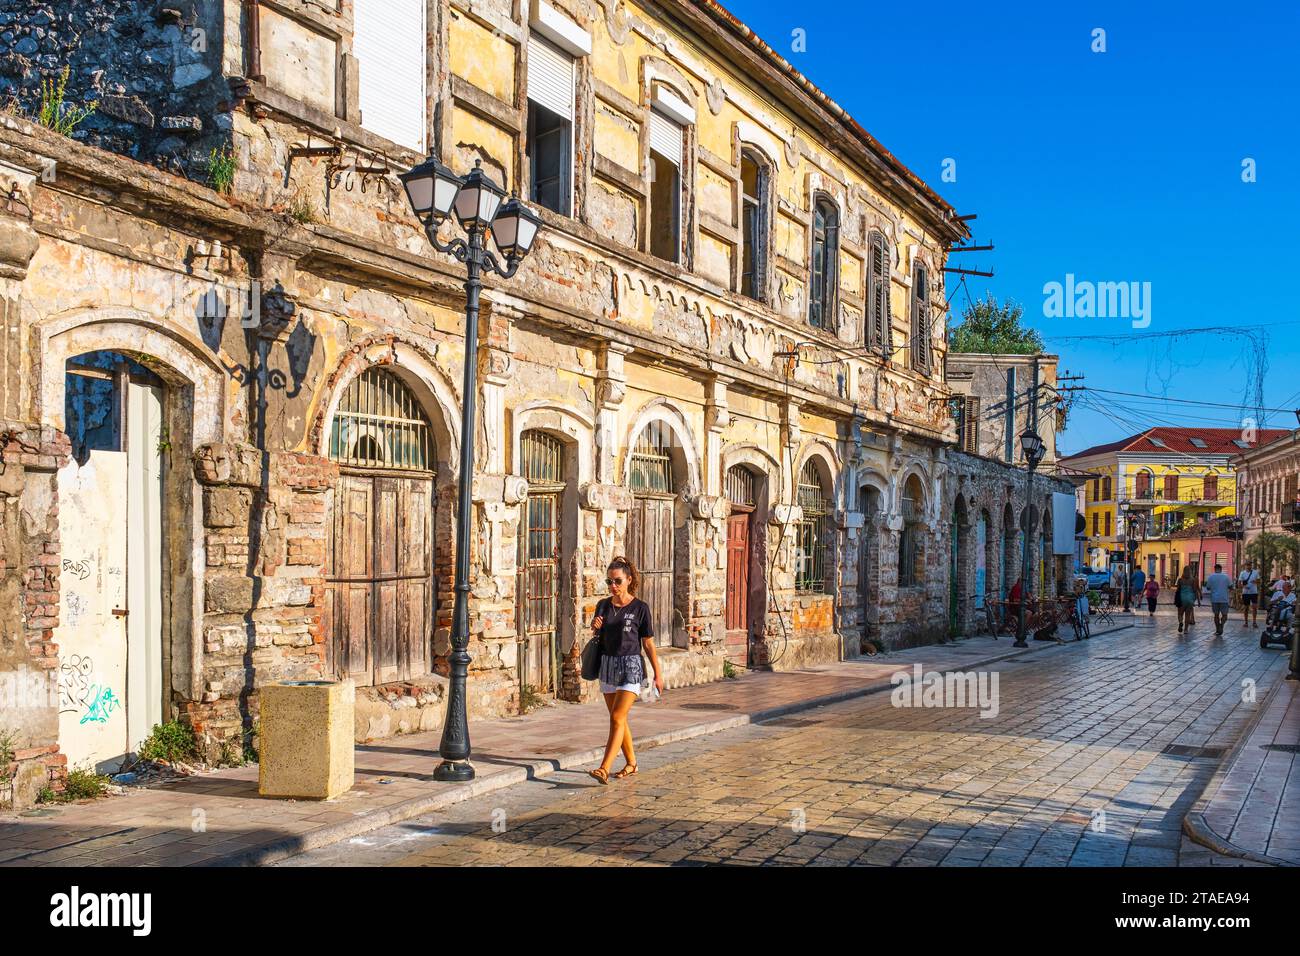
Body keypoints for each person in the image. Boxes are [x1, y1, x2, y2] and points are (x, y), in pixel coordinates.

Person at [587, 556, 663, 785]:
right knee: (617, 719)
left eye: (617, 581)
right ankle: (631, 763)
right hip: (607, 664)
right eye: (609, 582)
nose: (613, 586)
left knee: (618, 716)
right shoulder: (603, 605)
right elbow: (597, 634)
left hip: (631, 666)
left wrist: (658, 674)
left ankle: (604, 768)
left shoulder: (640, 608)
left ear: (629, 580)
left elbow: (648, 643)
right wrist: (594, 627)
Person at [1204, 563, 1233, 637]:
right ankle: (1221, 625)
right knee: (1225, 615)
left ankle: (1217, 629)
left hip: (1215, 599)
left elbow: (1207, 587)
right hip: (1224, 599)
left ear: (1215, 569)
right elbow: (1230, 587)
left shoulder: (1211, 577)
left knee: (1216, 615)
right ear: (1221, 569)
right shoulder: (1226, 577)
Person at [1174, 566, 1200, 634]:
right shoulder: (1192, 580)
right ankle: (1186, 630)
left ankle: (1180, 622)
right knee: (1188, 615)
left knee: (1180, 613)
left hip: (1182, 599)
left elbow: (1178, 590)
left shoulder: (1180, 580)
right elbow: (1195, 590)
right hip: (1190, 599)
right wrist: (1199, 601)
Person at [1238, 561, 1261, 628]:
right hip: (1245, 593)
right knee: (1246, 608)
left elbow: (1259, 581)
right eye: (1247, 565)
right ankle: (1246, 622)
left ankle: (1254, 622)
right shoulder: (1242, 573)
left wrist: (1255, 581)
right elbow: (1239, 584)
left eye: (1250, 565)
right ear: (1245, 566)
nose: (1249, 566)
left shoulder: (1255, 572)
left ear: (1251, 565)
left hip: (1254, 592)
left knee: (1254, 607)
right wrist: (1244, 586)